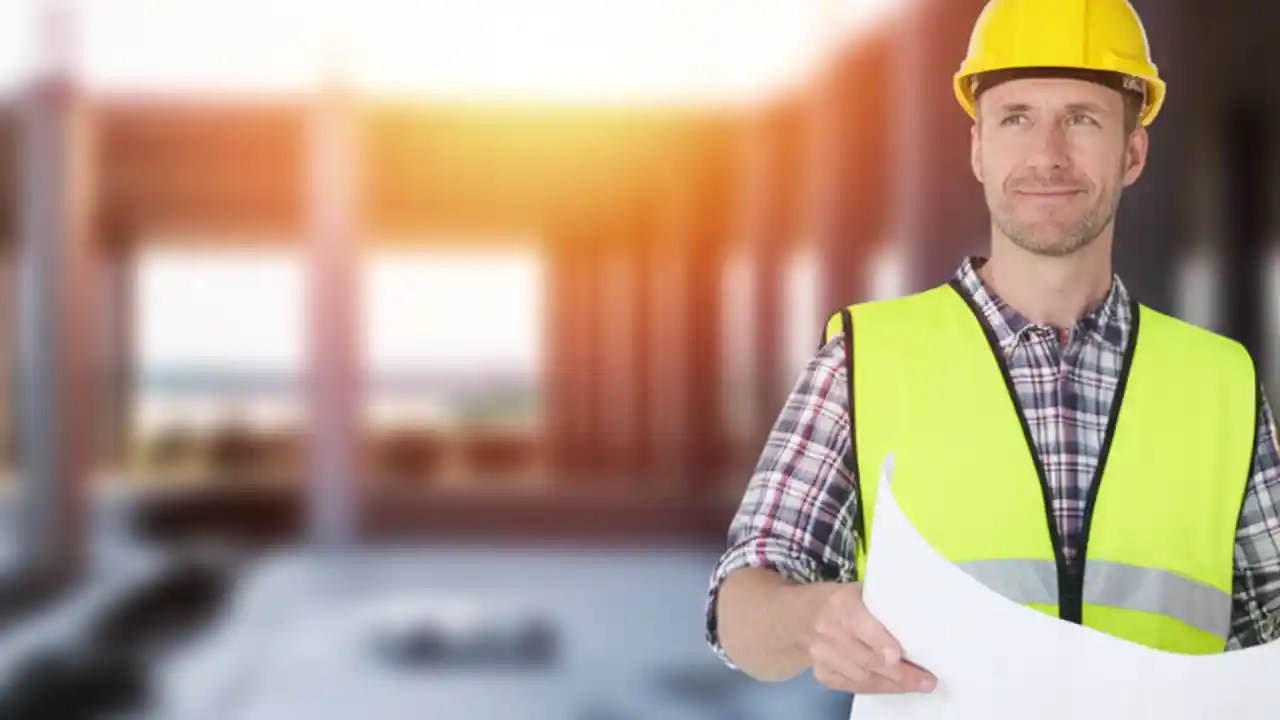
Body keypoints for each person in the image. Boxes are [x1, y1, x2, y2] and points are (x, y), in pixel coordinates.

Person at [705, 0, 1280, 697]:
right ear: (978, 148)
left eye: (1081, 118)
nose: (1047, 154)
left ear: (1132, 152)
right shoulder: (865, 361)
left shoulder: (1220, 385)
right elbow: (741, 608)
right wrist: (812, 617)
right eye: (1016, 118)